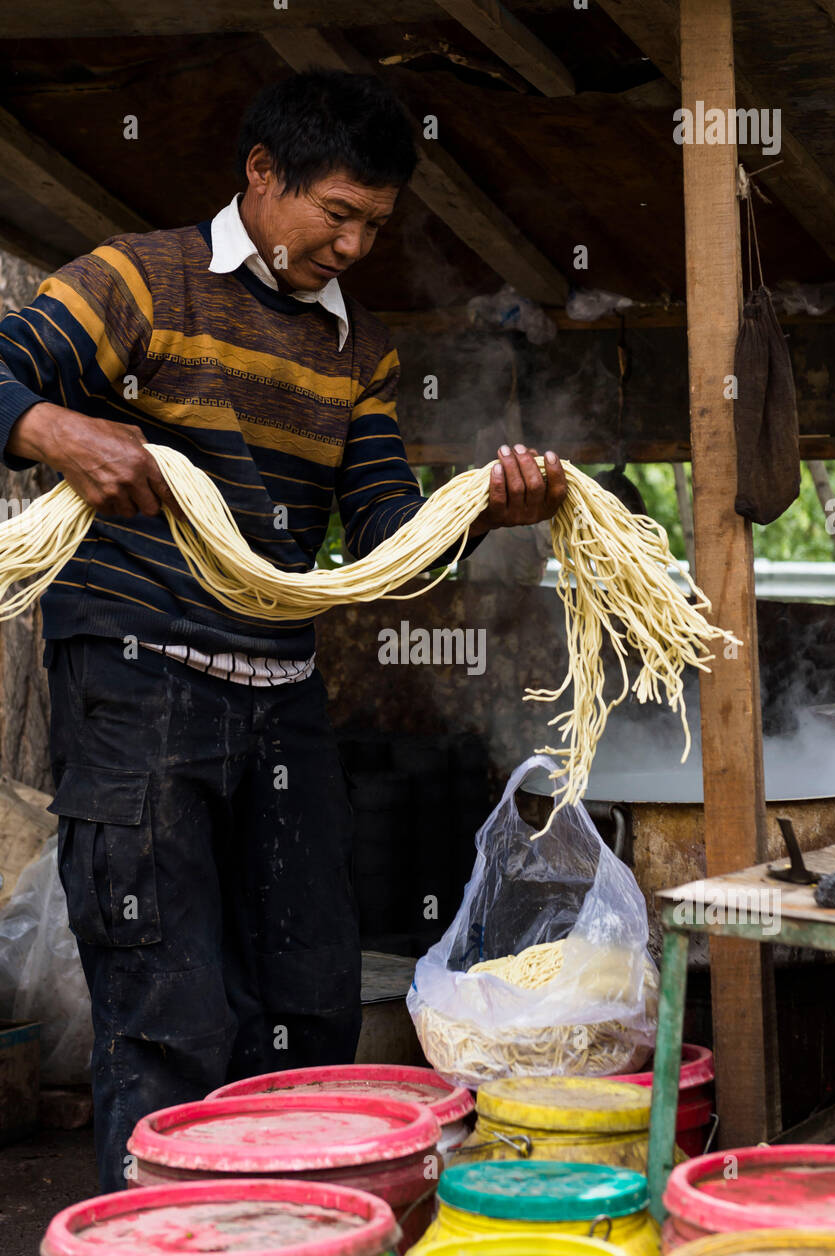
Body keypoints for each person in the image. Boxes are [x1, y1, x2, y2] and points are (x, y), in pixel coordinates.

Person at [0, 70, 566, 1190]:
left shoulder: (356, 352)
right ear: (263, 176)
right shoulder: (135, 281)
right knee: (165, 1000)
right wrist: (58, 429)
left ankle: (296, 1232)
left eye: (375, 225)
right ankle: (166, 1252)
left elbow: (386, 539)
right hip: (136, 683)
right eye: (339, 214)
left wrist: (487, 513)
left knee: (308, 994)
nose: (355, 245)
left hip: (278, 696)